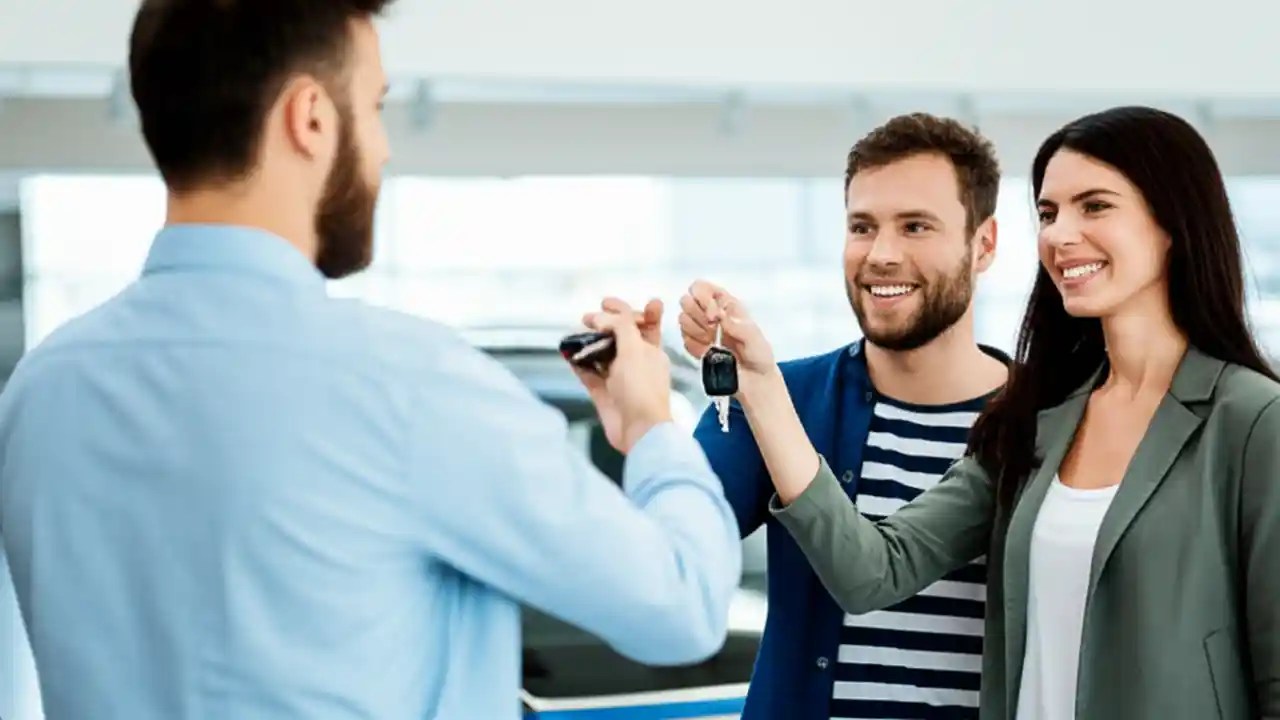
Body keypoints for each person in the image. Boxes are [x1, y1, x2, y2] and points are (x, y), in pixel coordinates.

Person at [0, 2, 741, 719]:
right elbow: (682, 606)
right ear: (310, 118)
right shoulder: (410, 384)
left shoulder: (41, 390)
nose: (382, 148)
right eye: (374, 108)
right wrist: (650, 424)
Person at [703, 105, 1280, 719]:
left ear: (1174, 224)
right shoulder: (1038, 419)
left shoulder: (1252, 422)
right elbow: (873, 571)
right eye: (1049, 213)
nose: (1059, 235)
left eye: (1095, 206)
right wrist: (760, 384)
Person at [678, 113, 1010, 719]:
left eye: (915, 226)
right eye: (862, 227)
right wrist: (642, 414)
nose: (881, 255)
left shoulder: (1051, 421)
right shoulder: (778, 398)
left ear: (983, 244)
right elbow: (664, 548)